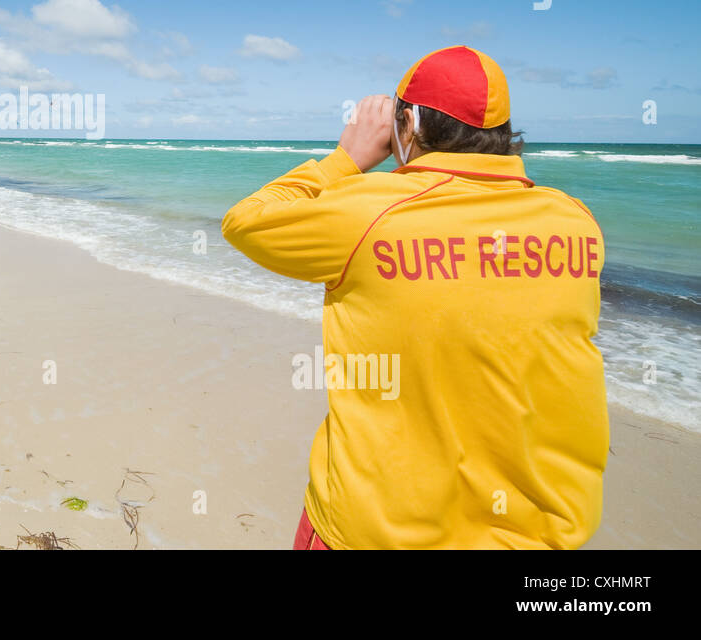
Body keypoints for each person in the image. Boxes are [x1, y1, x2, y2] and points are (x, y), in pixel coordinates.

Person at [222, 46, 608, 549]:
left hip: (374, 534)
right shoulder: (577, 224)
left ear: (408, 124)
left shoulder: (368, 214)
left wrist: (346, 160)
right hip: (537, 537)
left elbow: (245, 221)